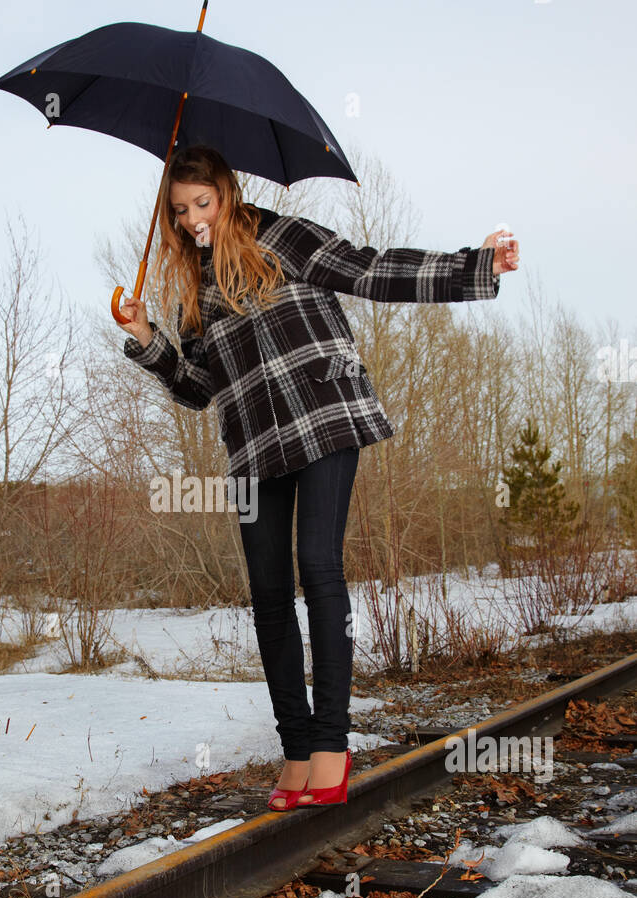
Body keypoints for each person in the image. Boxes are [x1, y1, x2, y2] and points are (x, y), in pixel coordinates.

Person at [119, 146, 520, 809]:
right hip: (254, 443)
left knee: (318, 565)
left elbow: (369, 269)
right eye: (181, 210)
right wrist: (147, 337)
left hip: (323, 417)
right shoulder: (193, 287)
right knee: (269, 593)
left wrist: (472, 267)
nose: (194, 220)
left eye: (203, 203)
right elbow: (198, 388)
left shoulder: (281, 236)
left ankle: (332, 741)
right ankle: (298, 749)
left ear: (226, 192)